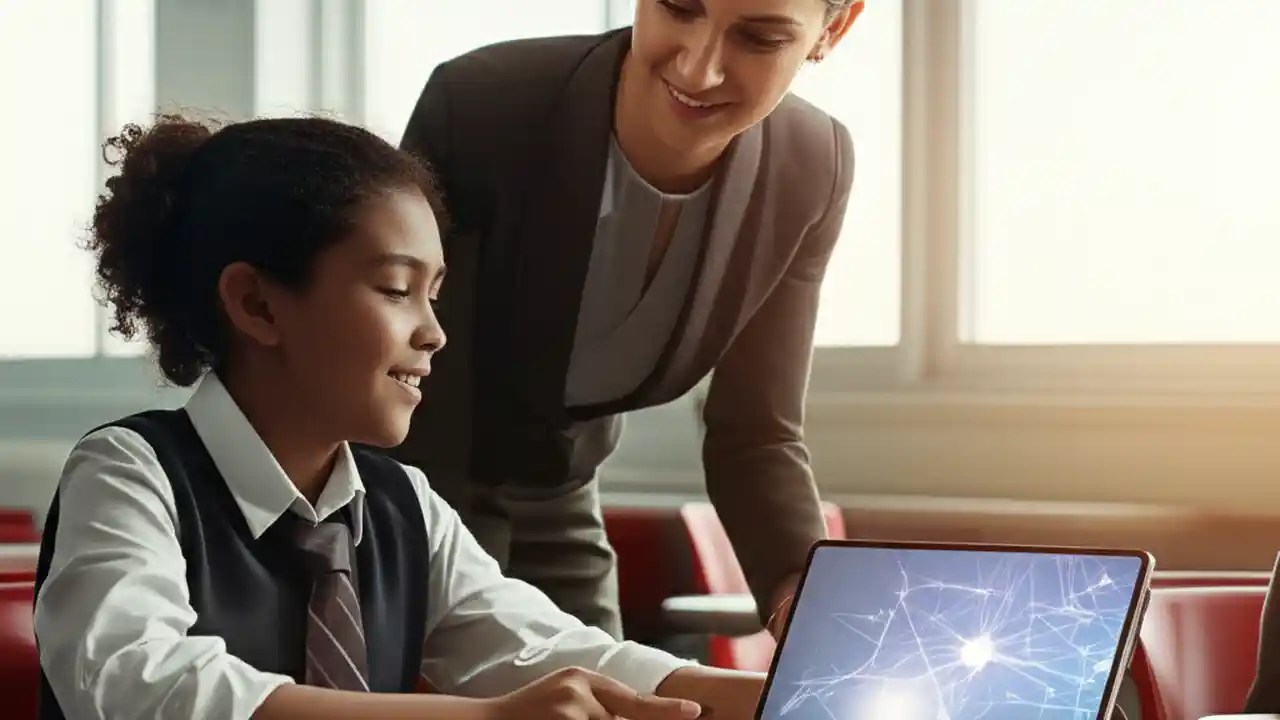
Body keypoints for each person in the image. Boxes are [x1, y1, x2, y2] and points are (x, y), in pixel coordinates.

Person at [31, 113, 763, 719]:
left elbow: (548, 651)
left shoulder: (402, 505)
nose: (434, 332)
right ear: (257, 304)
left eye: (435, 294)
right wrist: (484, 718)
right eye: (394, 289)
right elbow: (144, 687)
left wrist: (785, 701)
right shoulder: (130, 475)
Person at [395, 0, 865, 640]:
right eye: (679, 8)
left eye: (758, 37)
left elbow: (756, 432)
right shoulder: (486, 105)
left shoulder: (813, 162)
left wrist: (803, 603)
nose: (700, 70)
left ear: (833, 29)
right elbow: (413, 370)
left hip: (561, 491)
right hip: (414, 489)